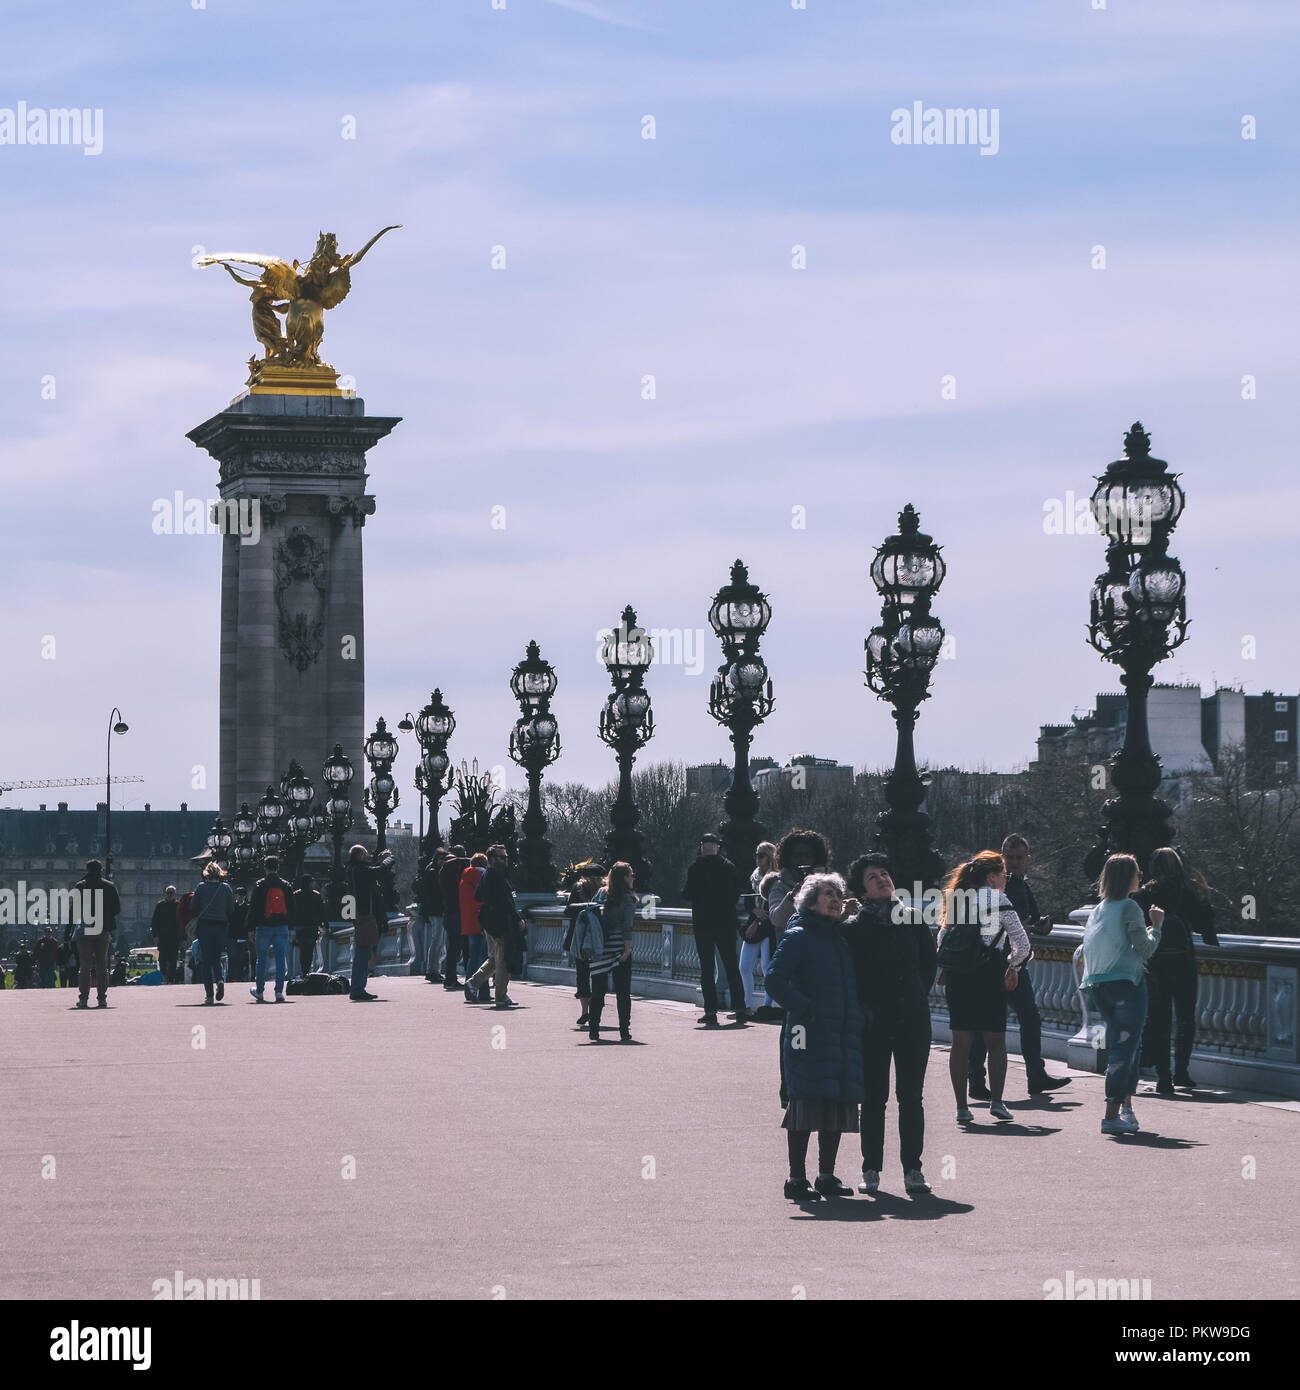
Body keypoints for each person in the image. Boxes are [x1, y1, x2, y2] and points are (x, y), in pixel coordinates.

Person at [764, 872, 864, 1201]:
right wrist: (805, 1010)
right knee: (804, 1101)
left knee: (835, 1100)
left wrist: (861, 1016)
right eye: (827, 895)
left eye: (838, 895)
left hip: (838, 1030)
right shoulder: (799, 935)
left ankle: (826, 1175)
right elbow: (774, 981)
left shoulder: (840, 938)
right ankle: (796, 1178)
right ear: (810, 901)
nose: (836, 900)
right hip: (804, 1031)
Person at [842, 853, 936, 1195]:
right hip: (873, 1022)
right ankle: (871, 1169)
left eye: (885, 873)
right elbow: (849, 976)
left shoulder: (913, 919)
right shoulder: (853, 929)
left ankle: (913, 1169)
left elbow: (928, 965)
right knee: (874, 1099)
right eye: (872, 877)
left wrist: (913, 996)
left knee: (911, 1097)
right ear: (862, 891)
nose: (882, 879)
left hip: (912, 1019)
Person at [968, 834, 1070, 1098]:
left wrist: (1041, 927)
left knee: (1028, 1019)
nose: (1013, 863)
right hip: (993, 964)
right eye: (1009, 858)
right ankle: (978, 1081)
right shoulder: (994, 886)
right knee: (989, 1023)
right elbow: (985, 922)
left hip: (1014, 964)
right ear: (1002, 859)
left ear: (1027, 859)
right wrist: (1019, 927)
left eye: (1018, 858)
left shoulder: (1022, 887)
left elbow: (1032, 921)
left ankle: (1034, 1076)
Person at [937, 851, 1031, 1125]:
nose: (1006, 878)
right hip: (990, 973)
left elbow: (943, 938)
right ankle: (997, 1102)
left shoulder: (957, 899)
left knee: (961, 1043)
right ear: (991, 876)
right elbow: (1022, 945)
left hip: (959, 977)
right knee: (995, 1042)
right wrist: (1013, 966)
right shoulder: (999, 900)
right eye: (1003, 873)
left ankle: (961, 1107)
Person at [1081, 854, 1164, 1134]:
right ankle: (1111, 1114)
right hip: (1126, 984)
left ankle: (1126, 1108)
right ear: (1128, 877)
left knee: (1126, 1046)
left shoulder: (1099, 909)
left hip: (1098, 985)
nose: (1141, 877)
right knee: (1124, 1048)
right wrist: (1158, 925)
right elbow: (1146, 949)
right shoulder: (1130, 907)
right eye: (1137, 873)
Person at [1134, 847, 1218, 1093]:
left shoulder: (1144, 895)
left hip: (1156, 963)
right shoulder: (1187, 892)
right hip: (1183, 962)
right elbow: (1205, 926)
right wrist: (1205, 896)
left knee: (1160, 1019)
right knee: (1185, 1018)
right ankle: (1182, 1071)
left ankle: (1163, 1077)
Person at [681, 833, 747, 1027]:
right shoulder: (728, 867)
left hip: (703, 924)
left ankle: (711, 1012)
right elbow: (736, 893)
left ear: (702, 847)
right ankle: (740, 1009)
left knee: (707, 969)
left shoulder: (696, 867)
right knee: (731, 966)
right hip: (726, 923)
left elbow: (687, 893)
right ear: (717, 847)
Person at [588, 862, 636, 1042]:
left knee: (598, 990)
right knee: (623, 992)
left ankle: (594, 1029)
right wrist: (627, 948)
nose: (633, 878)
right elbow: (627, 927)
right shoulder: (627, 898)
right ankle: (624, 1031)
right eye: (631, 875)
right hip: (618, 947)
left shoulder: (600, 893)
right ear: (624, 878)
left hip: (599, 946)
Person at [470, 844, 523, 1009]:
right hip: (500, 922)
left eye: (506, 856)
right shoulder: (497, 876)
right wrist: (518, 919)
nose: (505, 859)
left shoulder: (486, 874)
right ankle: (500, 996)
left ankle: (474, 982)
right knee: (503, 960)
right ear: (493, 858)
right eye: (502, 857)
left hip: (488, 922)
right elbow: (506, 903)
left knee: (494, 958)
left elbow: (477, 895)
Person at [72, 860, 121, 1009]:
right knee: (102, 965)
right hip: (102, 928)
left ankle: (84, 998)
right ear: (101, 870)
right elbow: (117, 908)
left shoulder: (80, 886)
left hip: (86, 928)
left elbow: (73, 909)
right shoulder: (109, 886)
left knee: (85, 965)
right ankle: (102, 998)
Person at [563, 867, 605, 1027]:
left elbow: (568, 911)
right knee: (598, 975)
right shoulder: (604, 891)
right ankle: (596, 1010)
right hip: (598, 938)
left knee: (582, 975)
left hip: (579, 938)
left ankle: (585, 1011)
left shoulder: (578, 889)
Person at [740, 842, 778, 1020]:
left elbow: (774, 904)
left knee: (766, 967)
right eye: (756, 854)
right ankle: (747, 1005)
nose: (757, 858)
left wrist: (760, 915)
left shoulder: (775, 879)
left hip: (769, 926)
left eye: (761, 855)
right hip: (755, 922)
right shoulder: (753, 877)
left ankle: (766, 1006)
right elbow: (748, 902)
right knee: (744, 966)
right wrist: (755, 913)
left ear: (769, 857)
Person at [248, 855, 293, 1002]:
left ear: (265, 868)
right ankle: (279, 992)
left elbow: (253, 908)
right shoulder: (286, 885)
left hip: (264, 927)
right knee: (281, 959)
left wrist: (250, 928)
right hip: (281, 927)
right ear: (278, 868)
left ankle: (260, 991)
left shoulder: (260, 885)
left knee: (262, 959)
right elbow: (293, 908)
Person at [190, 861, 235, 1004]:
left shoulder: (201, 887)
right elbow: (231, 910)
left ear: (206, 874)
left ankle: (209, 996)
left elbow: (193, 907)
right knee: (216, 958)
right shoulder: (226, 888)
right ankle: (220, 980)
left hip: (205, 927)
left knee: (206, 960)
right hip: (221, 927)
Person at [345, 845, 386, 1002]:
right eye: (365, 852)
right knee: (363, 953)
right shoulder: (360, 870)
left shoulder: (353, 869)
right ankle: (357, 989)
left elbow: (373, 870)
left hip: (358, 915)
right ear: (359, 855)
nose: (368, 854)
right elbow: (379, 870)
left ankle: (358, 988)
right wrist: (389, 858)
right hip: (364, 916)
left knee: (363, 952)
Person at [438, 845, 470, 991]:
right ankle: (451, 978)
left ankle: (450, 977)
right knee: (456, 947)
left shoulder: (444, 870)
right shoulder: (452, 868)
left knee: (453, 947)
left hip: (449, 912)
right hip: (456, 913)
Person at [414, 848, 449, 983]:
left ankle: (434, 970)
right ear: (436, 859)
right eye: (441, 859)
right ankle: (432, 970)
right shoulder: (434, 873)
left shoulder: (430, 871)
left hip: (435, 910)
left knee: (437, 941)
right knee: (437, 941)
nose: (444, 862)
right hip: (437, 911)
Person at [459, 853, 491, 1003]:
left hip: (469, 922)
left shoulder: (464, 879)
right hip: (482, 920)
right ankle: (483, 991)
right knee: (484, 958)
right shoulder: (483, 877)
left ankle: (470, 988)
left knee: (473, 957)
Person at [290, 874, 327, 980]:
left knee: (302, 949)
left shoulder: (296, 894)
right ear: (310, 883)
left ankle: (303, 971)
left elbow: (292, 911)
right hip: (312, 926)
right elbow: (321, 912)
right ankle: (306, 971)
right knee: (309, 950)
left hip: (300, 927)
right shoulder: (316, 895)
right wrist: (324, 924)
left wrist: (292, 925)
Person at [151, 886, 182, 984]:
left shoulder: (178, 905)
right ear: (165, 893)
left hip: (175, 937)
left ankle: (171, 978)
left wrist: (183, 937)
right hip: (163, 937)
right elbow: (154, 921)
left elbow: (182, 922)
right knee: (162, 959)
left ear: (174, 894)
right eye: (168, 893)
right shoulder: (160, 905)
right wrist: (155, 936)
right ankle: (164, 975)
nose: (169, 895)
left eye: (171, 893)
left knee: (173, 959)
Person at [227, 886, 251, 982]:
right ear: (236, 896)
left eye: (242, 895)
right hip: (233, 934)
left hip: (241, 935)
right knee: (232, 956)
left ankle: (238, 975)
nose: (240, 897)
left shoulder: (247, 907)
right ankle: (232, 975)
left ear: (245, 896)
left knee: (241, 957)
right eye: (238, 895)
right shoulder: (232, 907)